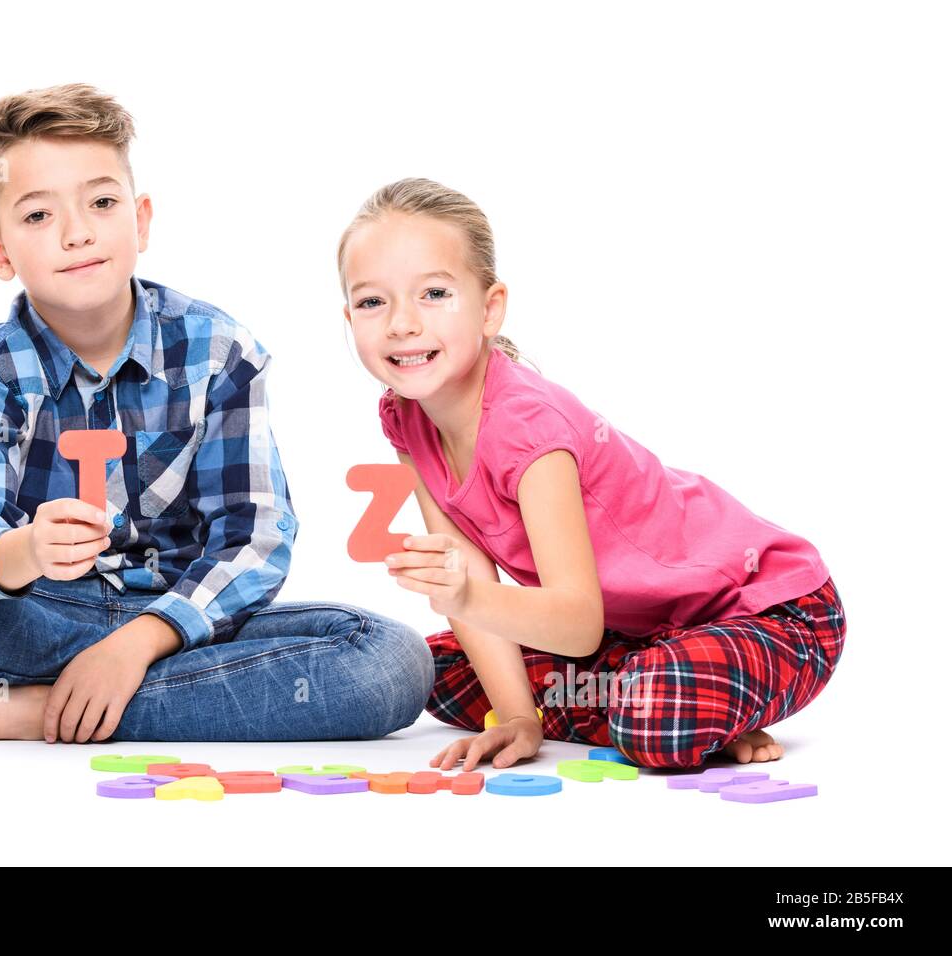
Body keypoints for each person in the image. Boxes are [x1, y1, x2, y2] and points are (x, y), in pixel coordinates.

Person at [0, 84, 432, 744]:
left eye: (101, 203)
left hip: (179, 625)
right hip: (36, 615)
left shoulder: (218, 351)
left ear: (140, 220)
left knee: (387, 663)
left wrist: (138, 643)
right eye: (37, 217)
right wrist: (26, 551)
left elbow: (255, 536)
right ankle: (91, 693)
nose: (77, 233)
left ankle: (21, 709)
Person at [337, 177, 846, 770]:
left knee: (647, 704)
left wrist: (473, 596)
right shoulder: (404, 416)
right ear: (349, 317)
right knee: (439, 671)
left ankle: (672, 703)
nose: (401, 324)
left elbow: (575, 627)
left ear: (489, 309)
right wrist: (520, 720)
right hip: (633, 634)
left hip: (770, 611)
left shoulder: (529, 427)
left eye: (433, 294)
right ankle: (677, 701)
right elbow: (465, 569)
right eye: (373, 302)